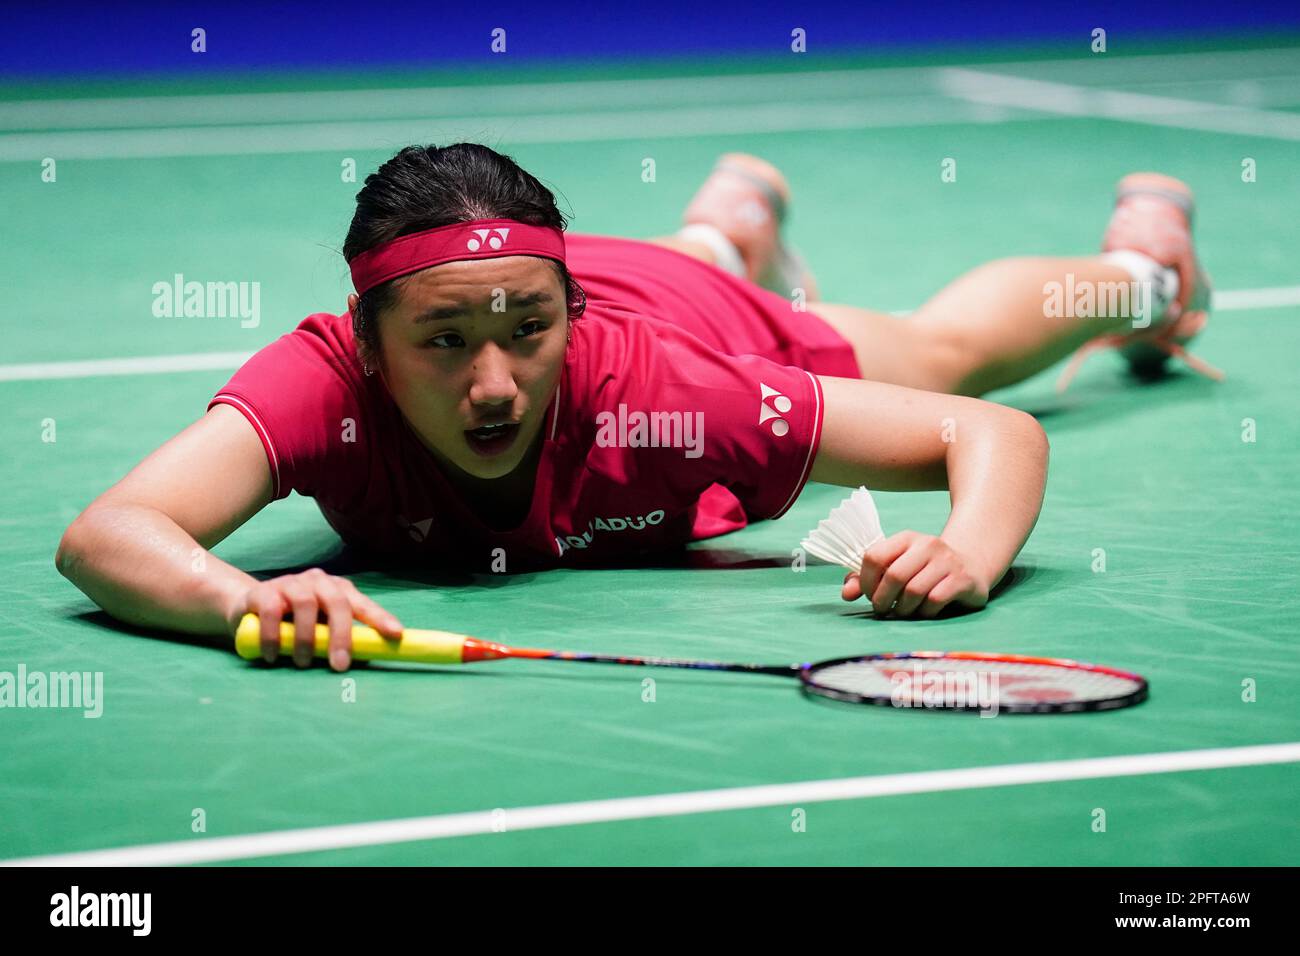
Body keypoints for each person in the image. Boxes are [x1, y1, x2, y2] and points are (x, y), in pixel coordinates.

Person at [55, 143, 1213, 671]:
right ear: (365, 342)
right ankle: (726, 217)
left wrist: (966, 550)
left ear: (566, 310)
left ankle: (1150, 269)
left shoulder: (667, 388)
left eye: (525, 336)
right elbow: (106, 535)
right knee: (578, 291)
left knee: (946, 354)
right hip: (590, 283)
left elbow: (988, 430)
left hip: (683, 313)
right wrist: (237, 597)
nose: (494, 382)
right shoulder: (324, 382)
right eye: (443, 346)